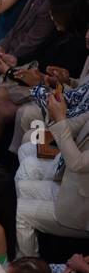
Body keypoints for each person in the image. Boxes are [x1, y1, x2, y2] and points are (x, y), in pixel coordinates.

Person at [0, 0, 89, 163]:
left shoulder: (78, 48)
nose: (50, 15)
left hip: (55, 102)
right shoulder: (59, 34)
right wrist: (16, 63)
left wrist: (36, 78)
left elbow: (69, 96)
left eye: (55, 13)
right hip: (48, 89)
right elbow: (73, 84)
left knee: (1, 111)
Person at [14, 81, 89, 255]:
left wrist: (60, 119)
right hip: (73, 189)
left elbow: (77, 163)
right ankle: (32, 245)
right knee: (21, 186)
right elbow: (71, 125)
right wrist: (57, 113)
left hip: (82, 209)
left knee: (22, 212)